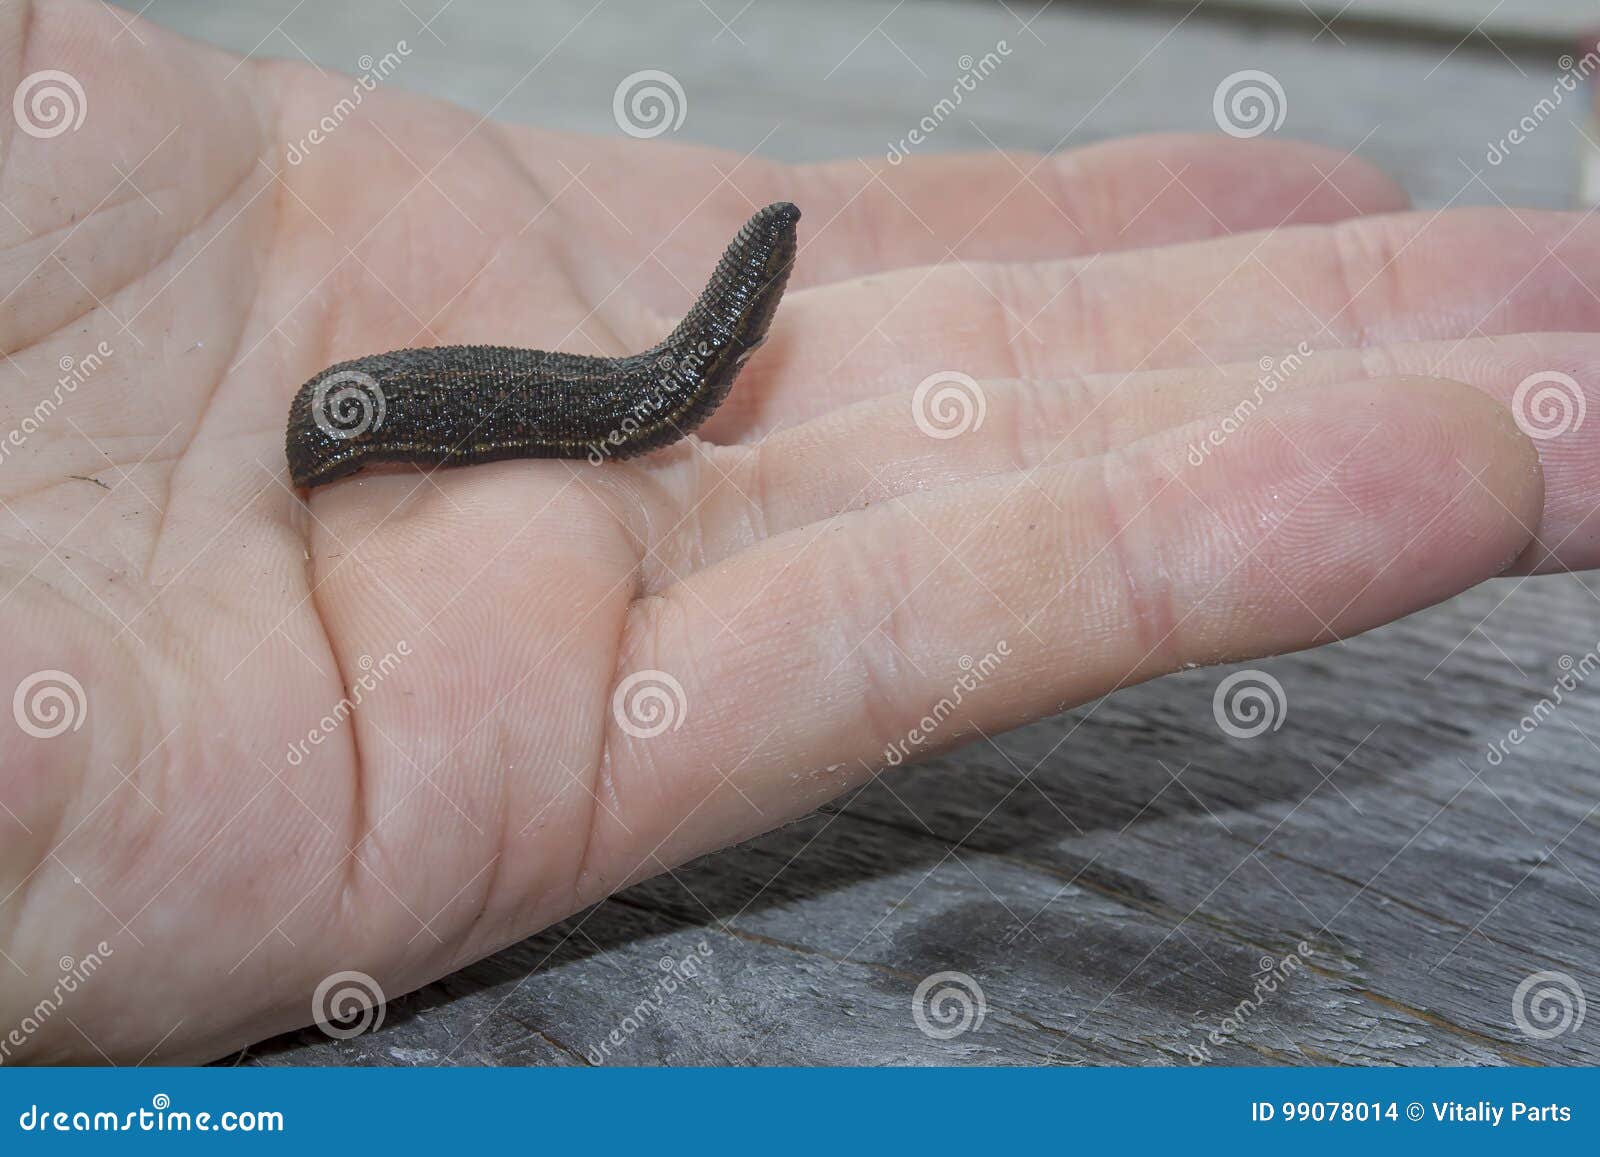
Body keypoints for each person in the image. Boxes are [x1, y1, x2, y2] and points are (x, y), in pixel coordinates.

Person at [1, 0, 1591, 1063]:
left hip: (477, 404)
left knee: (649, 389)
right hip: (381, 415)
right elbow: (656, 395)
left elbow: (667, 393)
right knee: (637, 391)